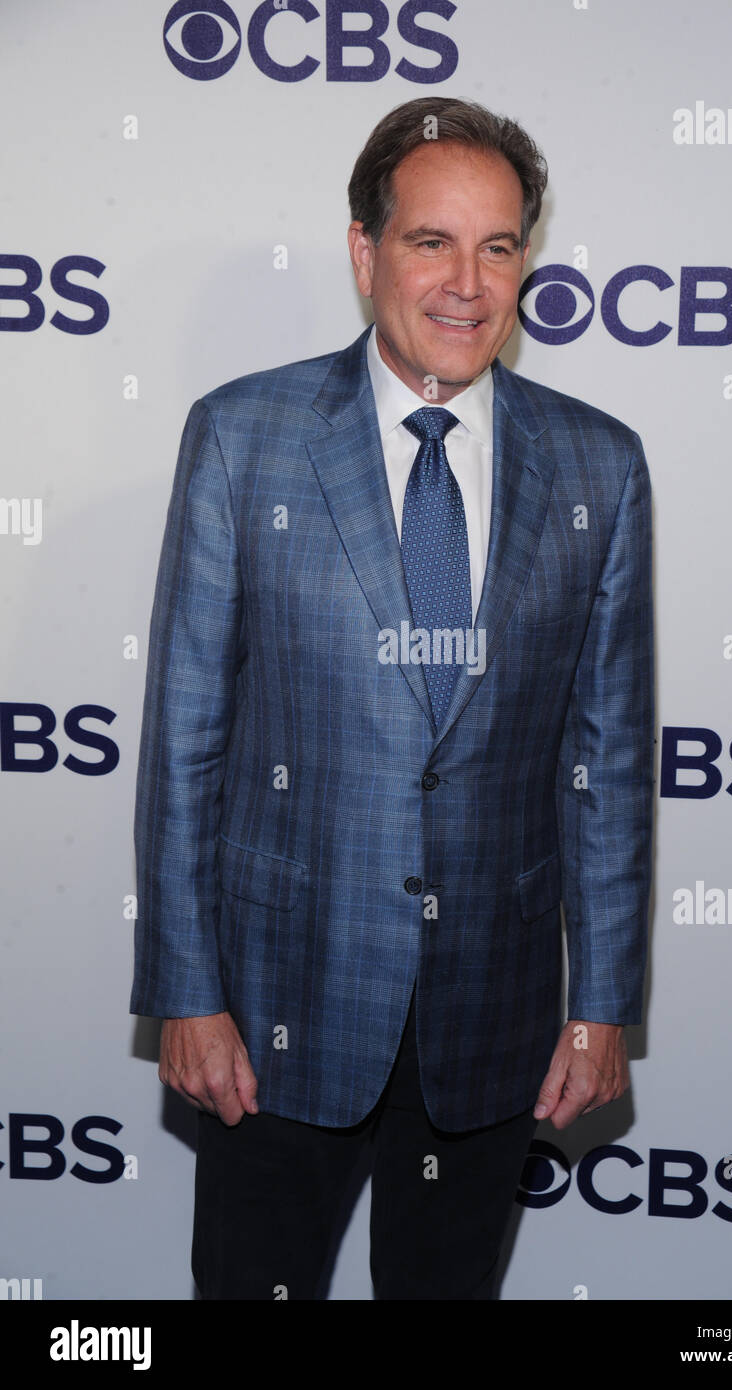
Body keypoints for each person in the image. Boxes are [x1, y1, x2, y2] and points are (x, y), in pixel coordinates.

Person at [131, 96, 654, 1301]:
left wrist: (603, 1003)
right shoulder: (241, 439)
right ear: (366, 250)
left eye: (500, 245)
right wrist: (187, 989)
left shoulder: (599, 464)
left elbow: (609, 758)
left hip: (493, 1009)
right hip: (275, 998)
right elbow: (185, 742)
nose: (467, 282)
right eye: (431, 242)